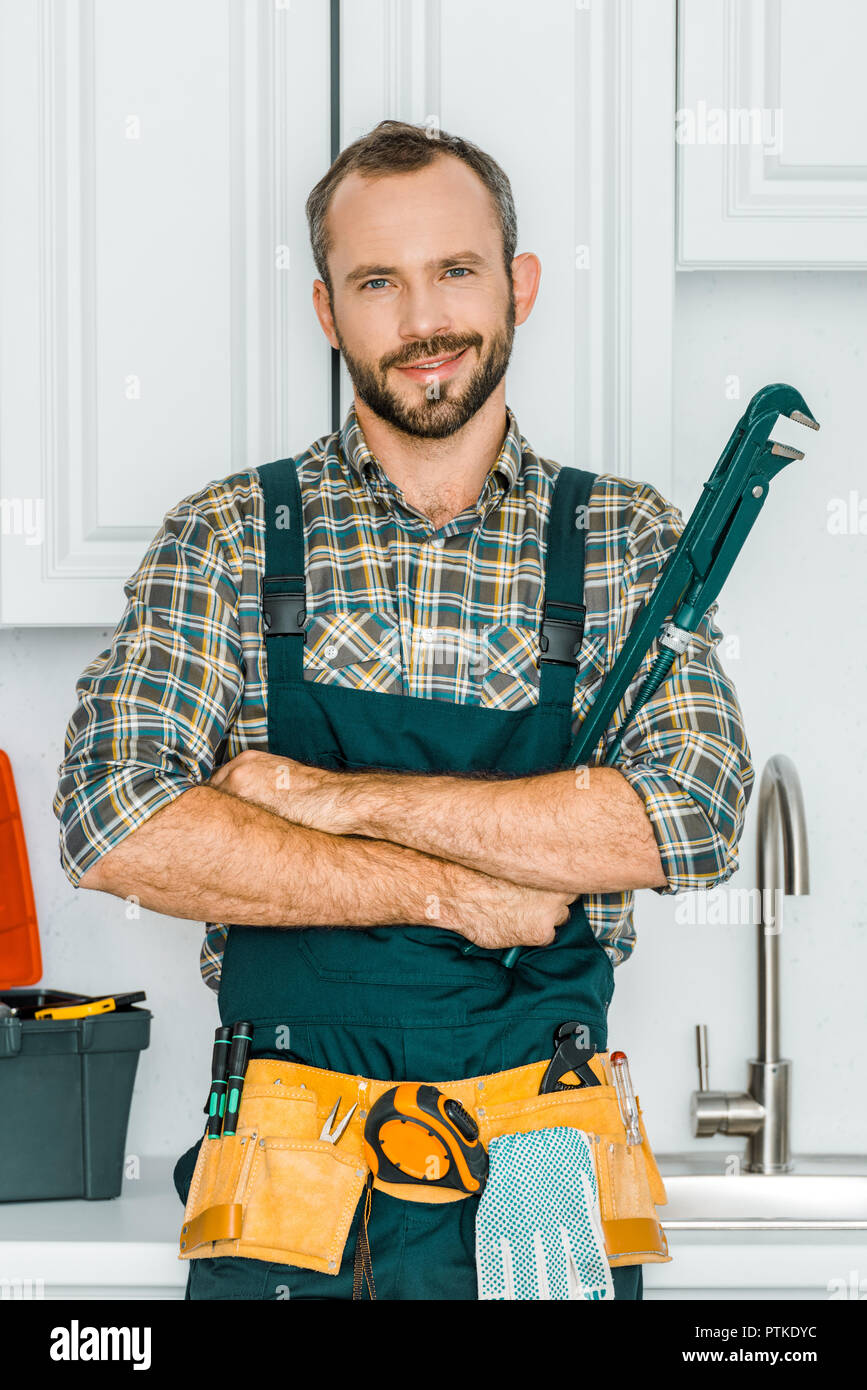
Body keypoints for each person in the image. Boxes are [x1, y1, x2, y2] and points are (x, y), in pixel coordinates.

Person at [54, 119, 753, 1301]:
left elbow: (684, 820)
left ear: (519, 286)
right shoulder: (228, 535)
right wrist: (449, 890)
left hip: (545, 1162)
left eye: (456, 271)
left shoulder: (626, 538)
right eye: (378, 281)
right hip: (289, 1173)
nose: (423, 319)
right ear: (328, 311)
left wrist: (328, 798)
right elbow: (113, 819)